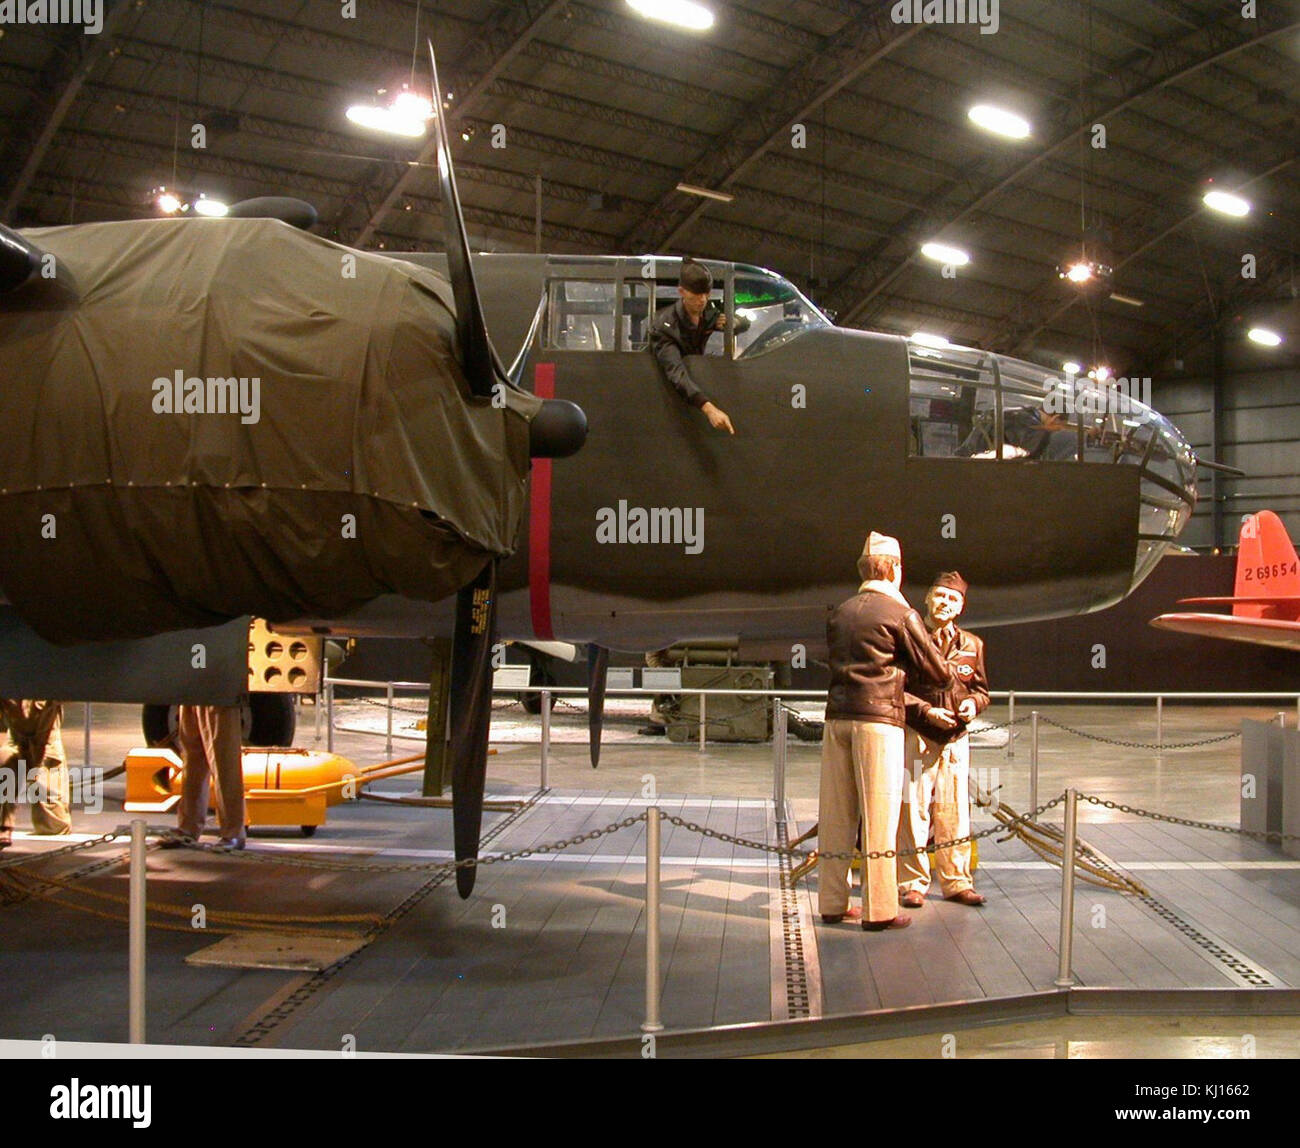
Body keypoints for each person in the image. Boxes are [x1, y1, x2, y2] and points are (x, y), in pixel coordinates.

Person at [819, 533, 954, 931]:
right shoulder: (900, 612)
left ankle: (832, 903)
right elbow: (940, 674)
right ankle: (879, 909)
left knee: (836, 815)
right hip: (879, 722)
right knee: (880, 816)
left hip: (837, 717)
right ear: (894, 568)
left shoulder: (840, 611)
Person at [897, 572, 989, 908]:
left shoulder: (972, 645)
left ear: (961, 606)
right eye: (940, 595)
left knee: (954, 811)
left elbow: (981, 690)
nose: (944, 603)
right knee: (914, 810)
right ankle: (912, 882)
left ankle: (957, 882)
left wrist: (972, 705)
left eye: (952, 599)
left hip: (955, 739)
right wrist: (924, 712)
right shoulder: (907, 640)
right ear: (927, 598)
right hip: (918, 735)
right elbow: (894, 689)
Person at [647, 261, 745, 434]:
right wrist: (709, 409)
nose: (702, 300)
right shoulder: (664, 326)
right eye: (696, 294)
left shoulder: (710, 312)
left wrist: (732, 323)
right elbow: (676, 372)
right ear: (682, 292)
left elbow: (744, 322)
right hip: (676, 394)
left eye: (706, 294)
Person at [164, 704, 247, 849]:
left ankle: (233, 831)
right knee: (192, 761)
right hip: (194, 690)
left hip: (218, 692)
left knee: (223, 759)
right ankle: (188, 827)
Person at [0, 699, 72, 848]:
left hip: (46, 743)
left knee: (53, 824)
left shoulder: (44, 678)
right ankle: (4, 826)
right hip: (16, 740)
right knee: (4, 764)